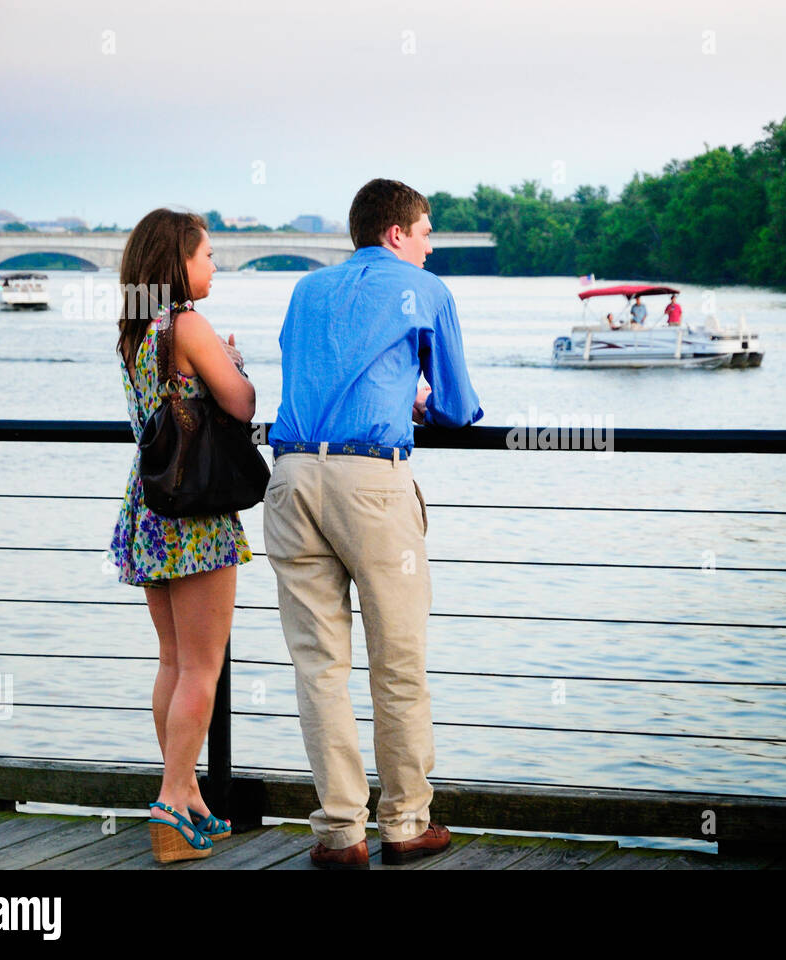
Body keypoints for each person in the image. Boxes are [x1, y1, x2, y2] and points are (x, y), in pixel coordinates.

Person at [264, 178, 483, 869]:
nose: (428, 248)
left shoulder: (305, 291)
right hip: (371, 487)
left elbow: (315, 373)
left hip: (292, 479)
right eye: (425, 234)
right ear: (396, 234)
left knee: (318, 668)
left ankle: (339, 834)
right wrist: (417, 398)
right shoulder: (429, 292)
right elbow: (456, 404)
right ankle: (406, 824)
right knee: (398, 659)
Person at [109, 208, 257, 862]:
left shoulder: (138, 333)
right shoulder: (189, 325)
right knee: (203, 665)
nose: (215, 265)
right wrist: (233, 362)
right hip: (194, 515)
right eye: (207, 255)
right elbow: (242, 403)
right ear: (178, 263)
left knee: (173, 661)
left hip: (149, 506)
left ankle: (189, 792)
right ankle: (172, 801)